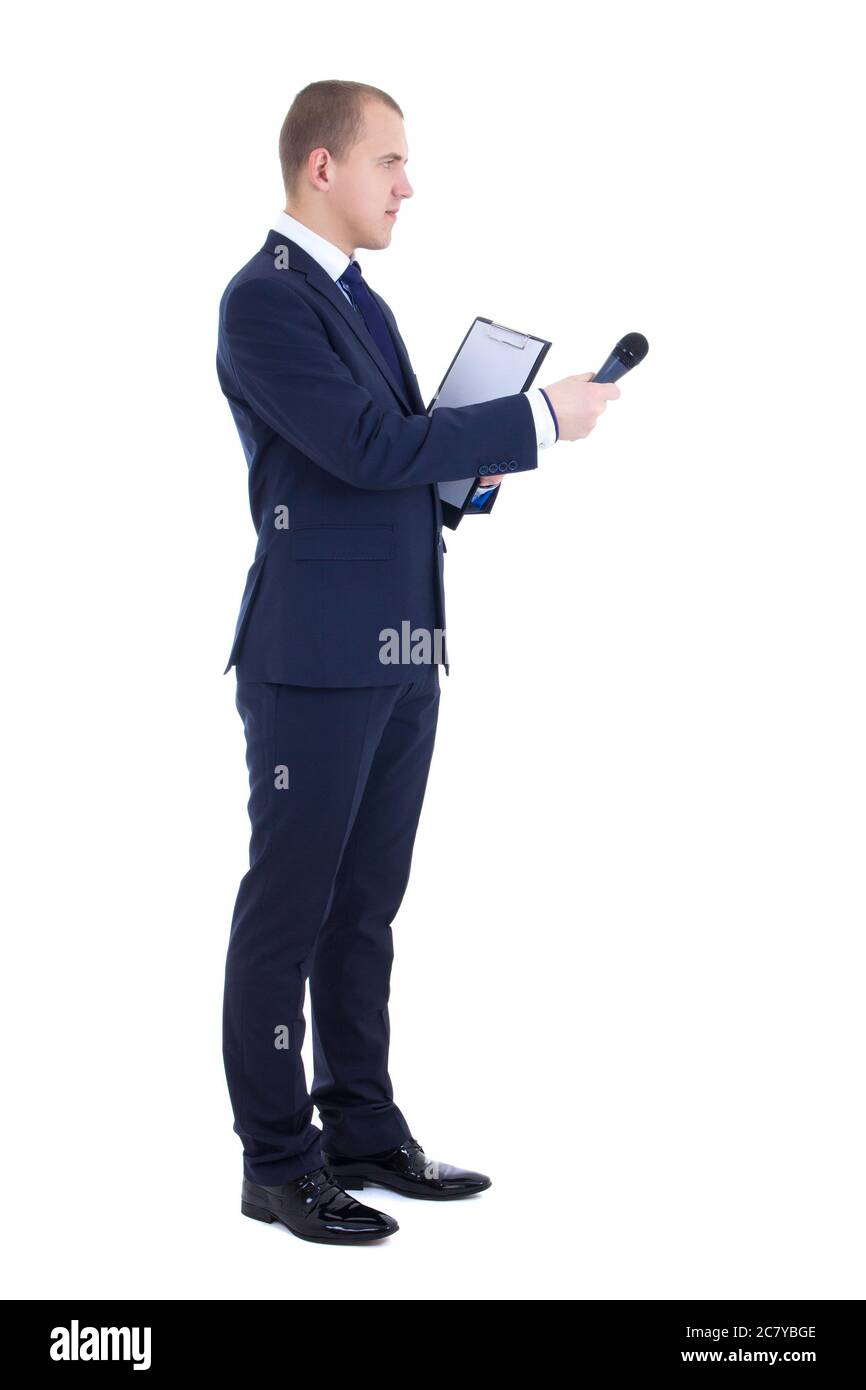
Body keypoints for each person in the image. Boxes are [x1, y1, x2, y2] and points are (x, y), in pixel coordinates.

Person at [216, 78, 621, 1245]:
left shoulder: (362, 303)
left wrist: (462, 477)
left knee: (364, 910)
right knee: (287, 912)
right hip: (312, 658)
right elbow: (358, 443)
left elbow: (388, 469)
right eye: (389, 160)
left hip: (400, 643)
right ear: (320, 168)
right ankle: (276, 1161)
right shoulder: (263, 301)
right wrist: (533, 421)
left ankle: (359, 1126)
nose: (407, 184)